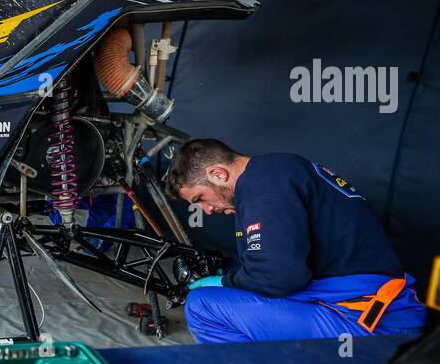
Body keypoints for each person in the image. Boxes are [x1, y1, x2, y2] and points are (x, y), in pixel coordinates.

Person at [165, 138, 426, 343]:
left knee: (203, 307)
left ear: (218, 174)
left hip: (371, 324)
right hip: (371, 308)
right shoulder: (275, 171)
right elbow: (269, 265)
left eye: (199, 198)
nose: (206, 210)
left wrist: (222, 281)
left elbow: (279, 277)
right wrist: (231, 275)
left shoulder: (262, 187)